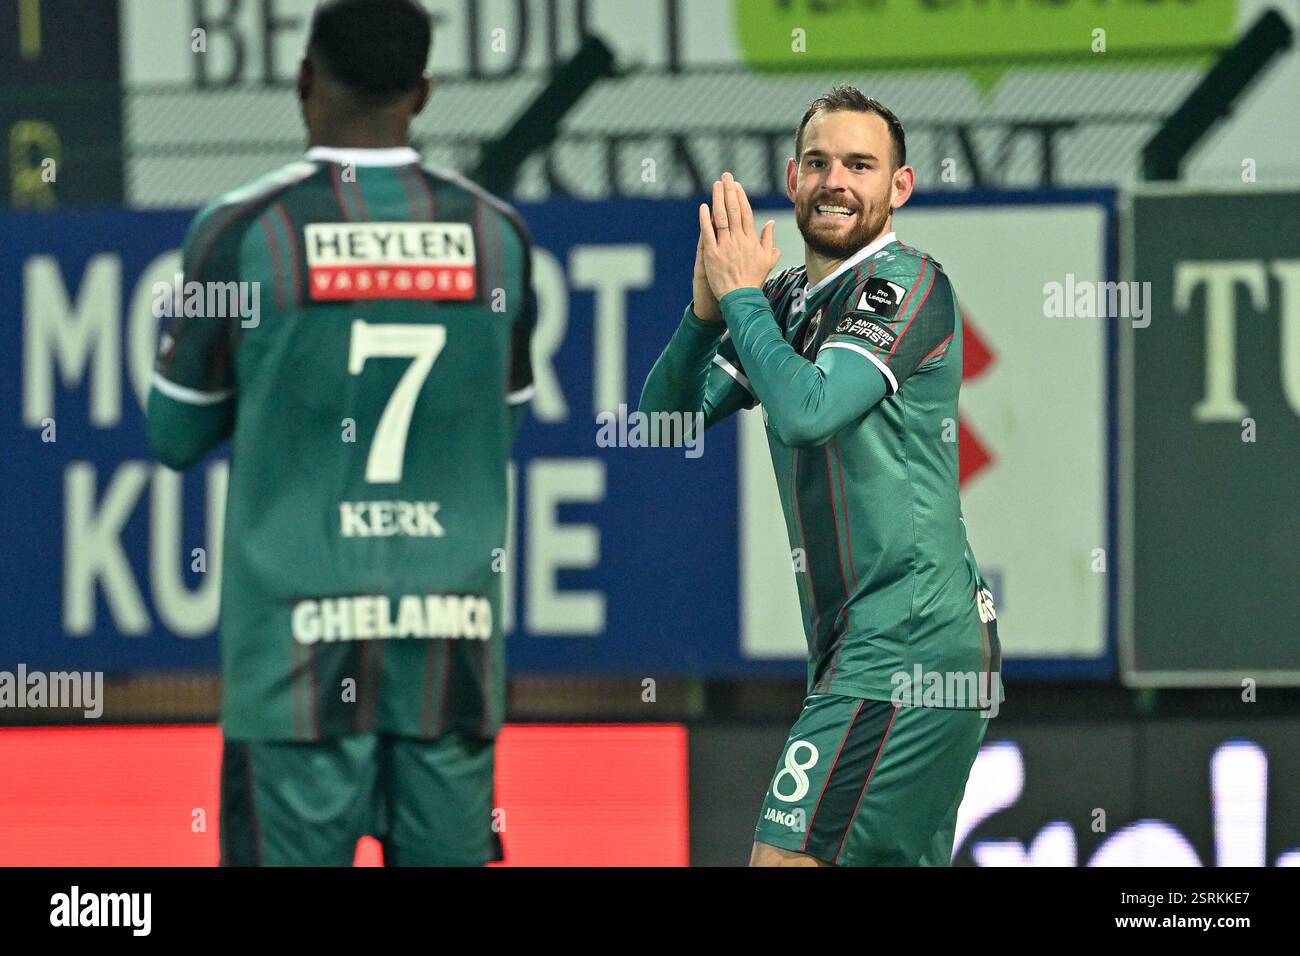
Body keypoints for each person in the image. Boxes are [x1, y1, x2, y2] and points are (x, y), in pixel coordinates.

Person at [146, 0, 535, 866]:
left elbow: (173, 435)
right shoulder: (497, 238)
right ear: (424, 92)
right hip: (451, 647)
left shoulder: (244, 231)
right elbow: (493, 430)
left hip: (295, 662)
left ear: (304, 79)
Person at [640, 86, 1003, 866]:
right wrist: (706, 315)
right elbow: (661, 427)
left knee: (784, 860)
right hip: (862, 643)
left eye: (860, 165)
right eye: (819, 162)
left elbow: (808, 411)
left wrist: (740, 297)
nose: (836, 180)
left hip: (907, 642)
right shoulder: (785, 298)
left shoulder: (905, 284)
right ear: (793, 178)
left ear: (898, 188)